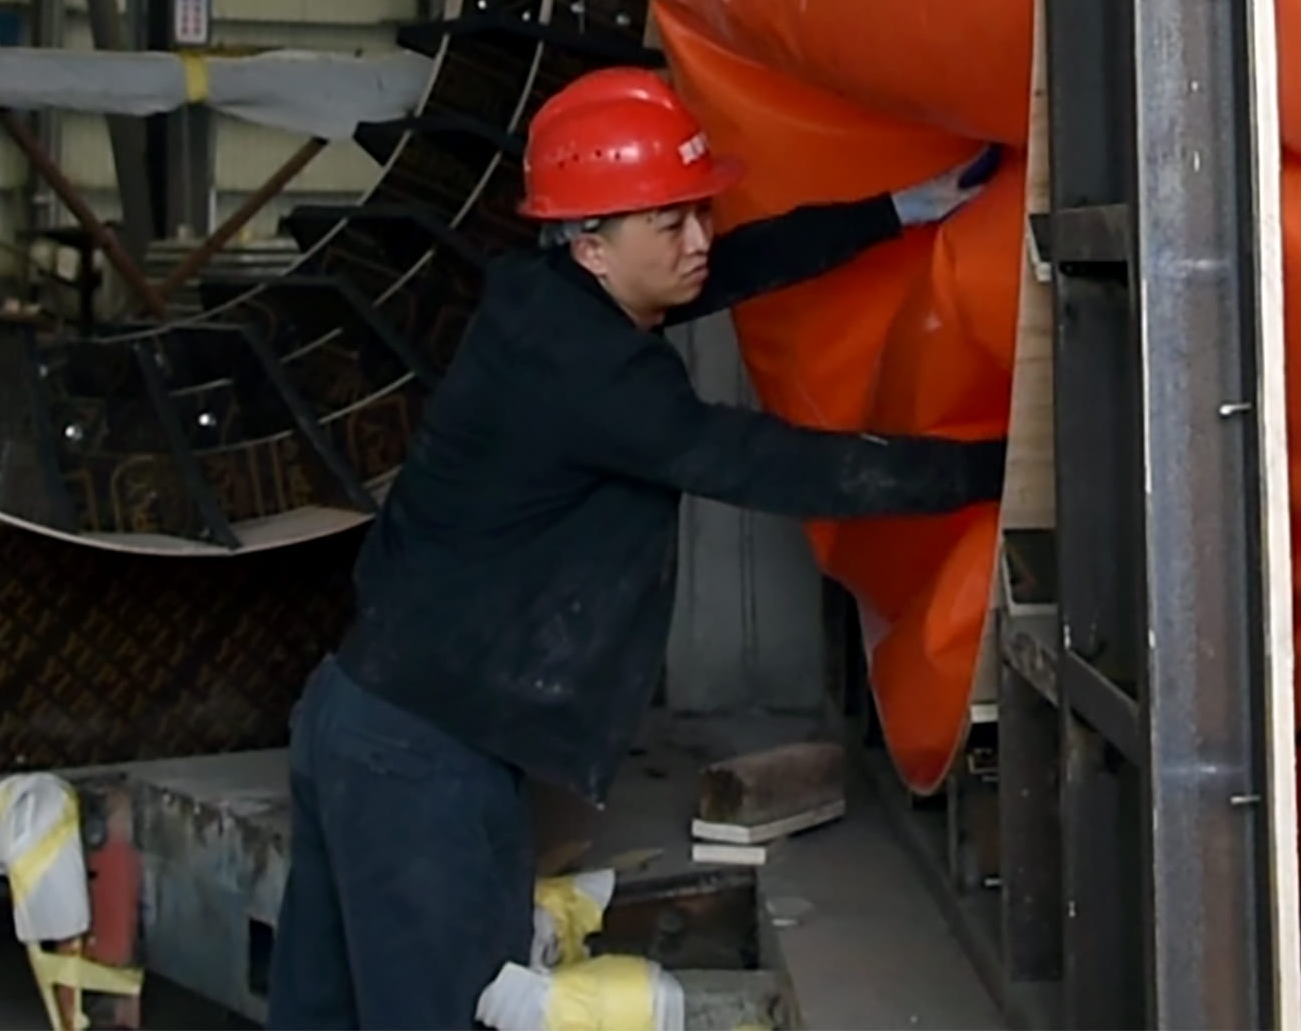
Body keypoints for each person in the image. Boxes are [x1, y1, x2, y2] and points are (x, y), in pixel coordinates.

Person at [266, 66, 1006, 1031]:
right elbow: (767, 463)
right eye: (672, 224)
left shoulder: (544, 297)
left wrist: (895, 209)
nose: (698, 240)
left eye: (699, 212)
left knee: (321, 1014)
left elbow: (725, 266)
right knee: (451, 1013)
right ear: (591, 244)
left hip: (365, 718)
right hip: (422, 765)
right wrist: (992, 470)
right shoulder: (599, 383)